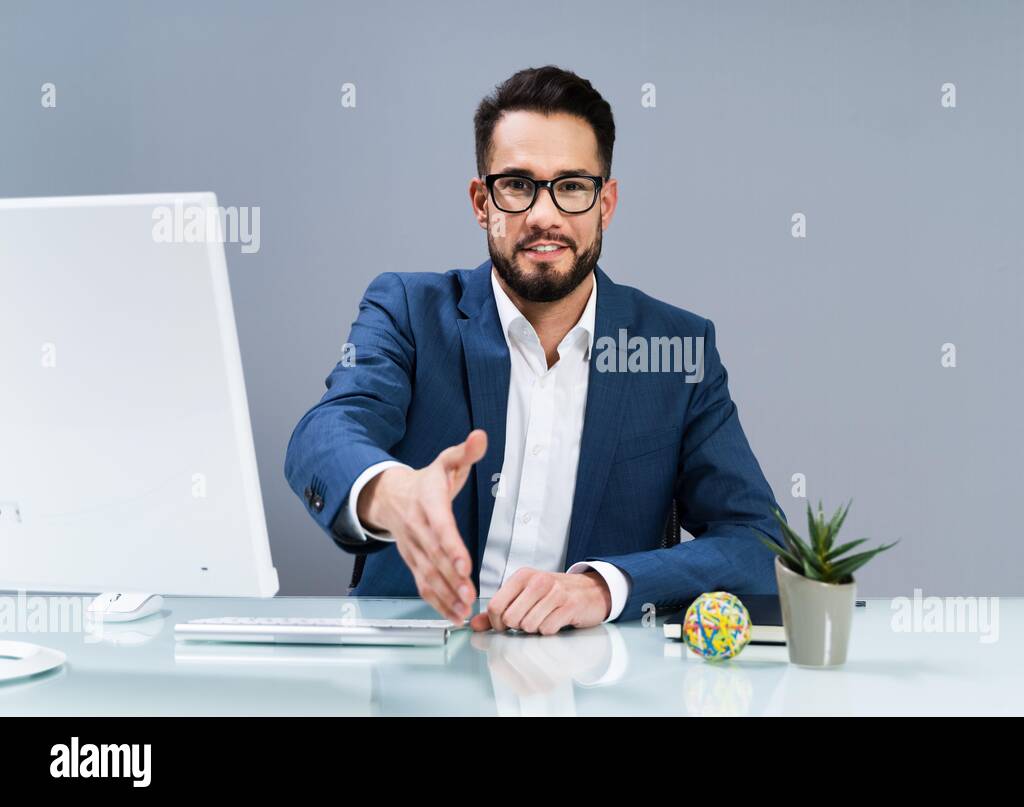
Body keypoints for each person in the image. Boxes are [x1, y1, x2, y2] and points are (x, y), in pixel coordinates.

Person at [285, 65, 783, 635]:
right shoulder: (408, 310)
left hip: (592, 684)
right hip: (415, 677)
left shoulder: (676, 349)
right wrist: (392, 491)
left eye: (571, 186)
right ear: (481, 202)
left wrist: (603, 586)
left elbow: (757, 543)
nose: (544, 215)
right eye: (518, 185)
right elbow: (322, 434)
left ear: (606, 203)